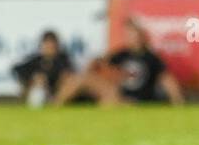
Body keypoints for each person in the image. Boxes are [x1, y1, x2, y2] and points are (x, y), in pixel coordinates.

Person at [54, 20, 184, 106]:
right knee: (79, 79)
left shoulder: (152, 58)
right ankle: (54, 106)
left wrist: (178, 102)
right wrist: (94, 69)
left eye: (133, 34)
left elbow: (167, 79)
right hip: (117, 94)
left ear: (141, 36)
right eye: (128, 35)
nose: (130, 38)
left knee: (107, 102)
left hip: (135, 101)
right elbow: (99, 62)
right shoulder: (122, 54)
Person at [11, 30, 75, 108]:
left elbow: (69, 73)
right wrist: (33, 78)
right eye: (47, 45)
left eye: (52, 46)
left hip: (56, 93)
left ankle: (55, 104)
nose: (49, 48)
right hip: (40, 90)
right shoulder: (36, 60)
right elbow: (16, 69)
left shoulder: (63, 59)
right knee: (37, 88)